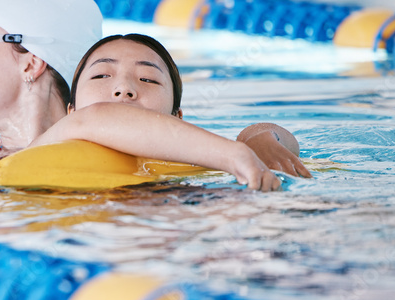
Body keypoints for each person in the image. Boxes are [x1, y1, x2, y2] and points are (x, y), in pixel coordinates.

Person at [0, 0, 309, 186]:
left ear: (32, 61)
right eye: (102, 75)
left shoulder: (88, 128)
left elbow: (96, 119)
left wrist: (250, 141)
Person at [27, 34, 309, 191]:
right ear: (71, 112)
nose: (123, 89)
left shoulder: (196, 161)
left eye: (147, 80)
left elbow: (278, 136)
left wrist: (256, 139)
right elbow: (96, 118)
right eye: (101, 75)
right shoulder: (41, 150)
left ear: (177, 118)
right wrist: (234, 153)